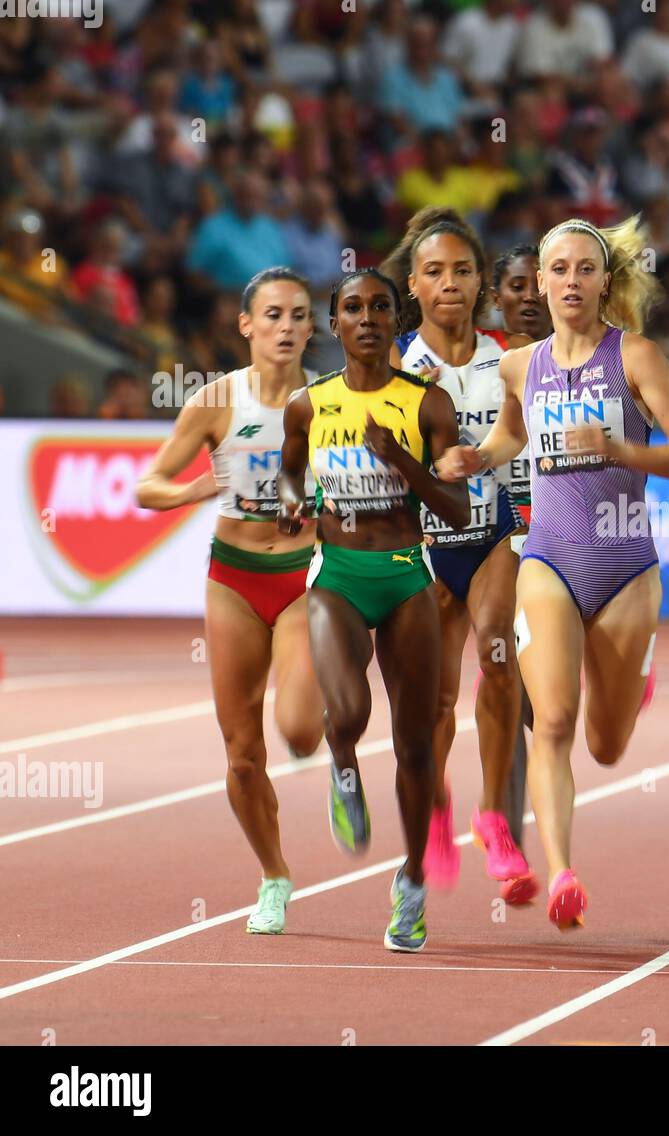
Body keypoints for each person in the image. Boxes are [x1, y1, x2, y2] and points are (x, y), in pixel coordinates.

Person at [436, 217, 669, 930]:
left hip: (624, 564)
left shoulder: (637, 357)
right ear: (543, 280)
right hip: (548, 557)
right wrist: (477, 459)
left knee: (606, 743)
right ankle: (562, 874)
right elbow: (512, 434)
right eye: (559, 270)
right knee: (551, 720)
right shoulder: (519, 365)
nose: (571, 283)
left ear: (605, 282)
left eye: (586, 270)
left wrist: (620, 447)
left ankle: (632, 681)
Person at [277, 268, 470, 952]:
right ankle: (343, 765)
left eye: (380, 307)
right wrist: (294, 498)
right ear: (335, 325)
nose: (367, 318)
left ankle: (412, 885)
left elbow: (458, 508)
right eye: (352, 308)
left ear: (396, 320)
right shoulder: (309, 403)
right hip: (338, 574)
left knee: (418, 746)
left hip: (405, 575)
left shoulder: (429, 405)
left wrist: (404, 465)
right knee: (350, 714)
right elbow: (291, 468)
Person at [136, 267, 324, 936]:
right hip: (234, 582)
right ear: (246, 324)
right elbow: (146, 486)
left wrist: (322, 513)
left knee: (302, 731)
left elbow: (362, 499)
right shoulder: (217, 401)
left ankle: (342, 755)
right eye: (272, 315)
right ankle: (274, 876)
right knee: (243, 753)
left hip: (302, 579)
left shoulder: (329, 402)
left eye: (299, 315)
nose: (286, 328)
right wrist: (194, 491)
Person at [382, 208, 535, 903]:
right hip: (420, 548)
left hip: (492, 534)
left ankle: (495, 819)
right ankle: (436, 809)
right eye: (435, 271)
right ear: (412, 283)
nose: (451, 283)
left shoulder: (509, 359)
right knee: (436, 700)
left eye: (464, 270)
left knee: (499, 657)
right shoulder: (391, 362)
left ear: (481, 282)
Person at [490, 245, 552, 848]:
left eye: (538, 284)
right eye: (516, 286)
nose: (530, 297)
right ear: (496, 296)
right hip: (498, 540)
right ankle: (506, 829)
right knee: (504, 675)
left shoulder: (588, 353)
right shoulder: (477, 360)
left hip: (569, 536)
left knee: (546, 702)